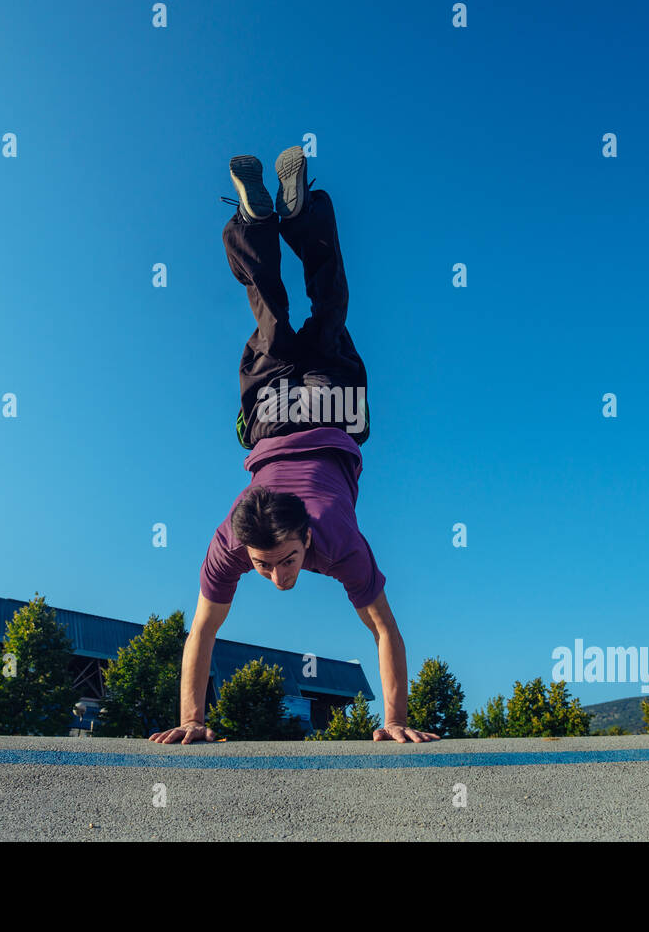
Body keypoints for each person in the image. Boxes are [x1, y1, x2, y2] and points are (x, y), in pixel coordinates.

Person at [148, 147, 439, 744]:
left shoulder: (326, 537)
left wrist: (397, 722)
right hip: (289, 409)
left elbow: (201, 629)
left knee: (315, 313)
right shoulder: (244, 537)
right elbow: (383, 628)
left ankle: (262, 220)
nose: (279, 575)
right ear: (246, 547)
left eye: (283, 559)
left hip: (321, 410)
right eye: (265, 564)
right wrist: (192, 722)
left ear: (308, 534)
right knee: (283, 320)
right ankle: (278, 216)